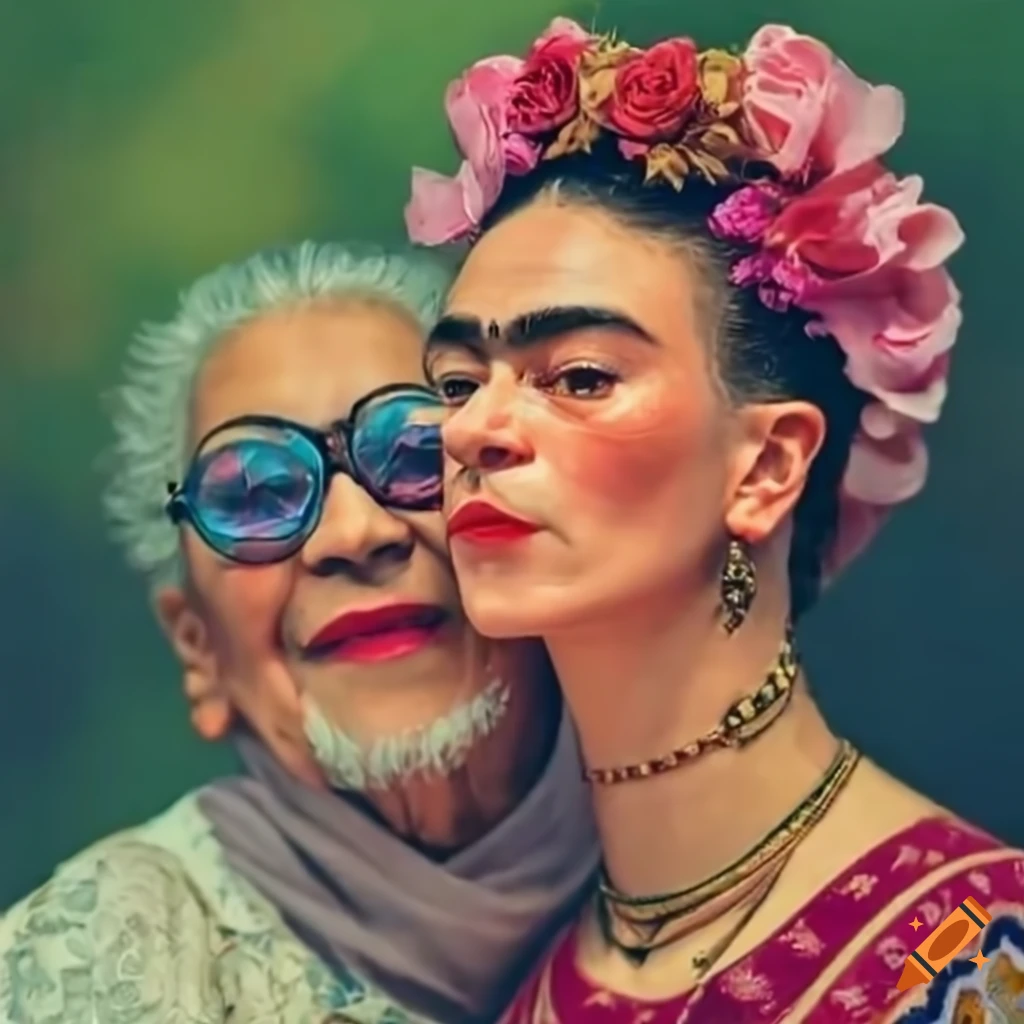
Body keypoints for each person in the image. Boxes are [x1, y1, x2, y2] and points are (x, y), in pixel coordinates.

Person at [405, 19, 1024, 1023]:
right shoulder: (533, 991)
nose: (475, 428)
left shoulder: (970, 958)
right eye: (456, 380)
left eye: (579, 376)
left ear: (767, 463)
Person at [0, 242, 598, 1024]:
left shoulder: (725, 873)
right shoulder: (82, 963)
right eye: (255, 493)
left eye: (419, 450)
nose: (352, 532)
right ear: (199, 651)